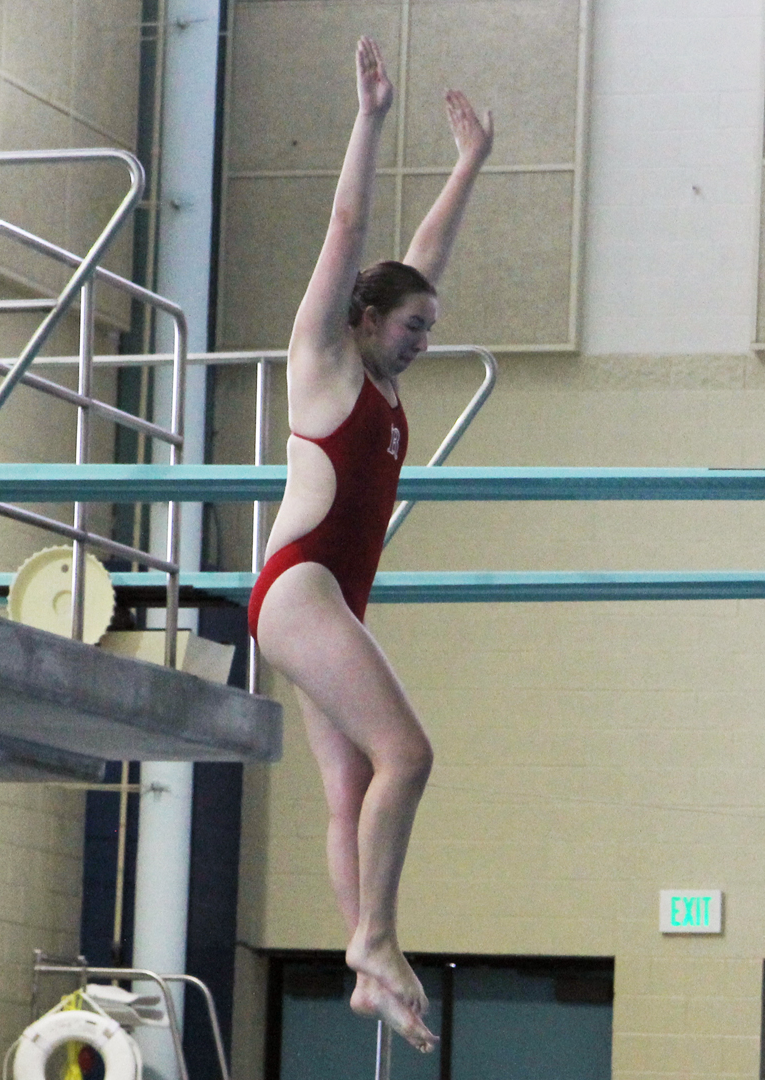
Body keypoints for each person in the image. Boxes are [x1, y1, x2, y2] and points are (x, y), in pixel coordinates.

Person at [246, 35, 492, 1053]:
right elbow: (348, 230)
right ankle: (378, 940)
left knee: (352, 791)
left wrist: (470, 163)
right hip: (299, 588)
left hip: (326, 601)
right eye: (413, 328)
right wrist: (371, 119)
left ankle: (364, 969)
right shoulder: (325, 361)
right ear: (365, 316)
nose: (423, 343)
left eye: (430, 330)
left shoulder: (384, 381)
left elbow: (420, 260)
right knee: (407, 754)